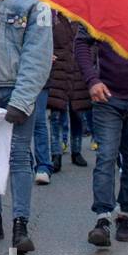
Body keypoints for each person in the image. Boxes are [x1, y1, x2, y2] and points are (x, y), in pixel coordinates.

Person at [0, 0, 53, 254]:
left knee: (19, 156)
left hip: (17, 88)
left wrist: (22, 100)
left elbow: (39, 54)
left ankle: (20, 223)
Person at [74, 24, 128, 247]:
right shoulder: (103, 4)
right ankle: (102, 218)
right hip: (107, 96)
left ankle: (124, 213)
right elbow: (81, 42)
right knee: (106, 157)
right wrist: (92, 80)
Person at [46, 11, 90, 173]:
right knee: (56, 116)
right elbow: (46, 40)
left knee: (77, 114)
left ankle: (76, 151)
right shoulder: (54, 18)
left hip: (78, 72)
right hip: (58, 72)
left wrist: (89, 62)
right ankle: (55, 154)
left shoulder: (82, 20)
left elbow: (90, 45)